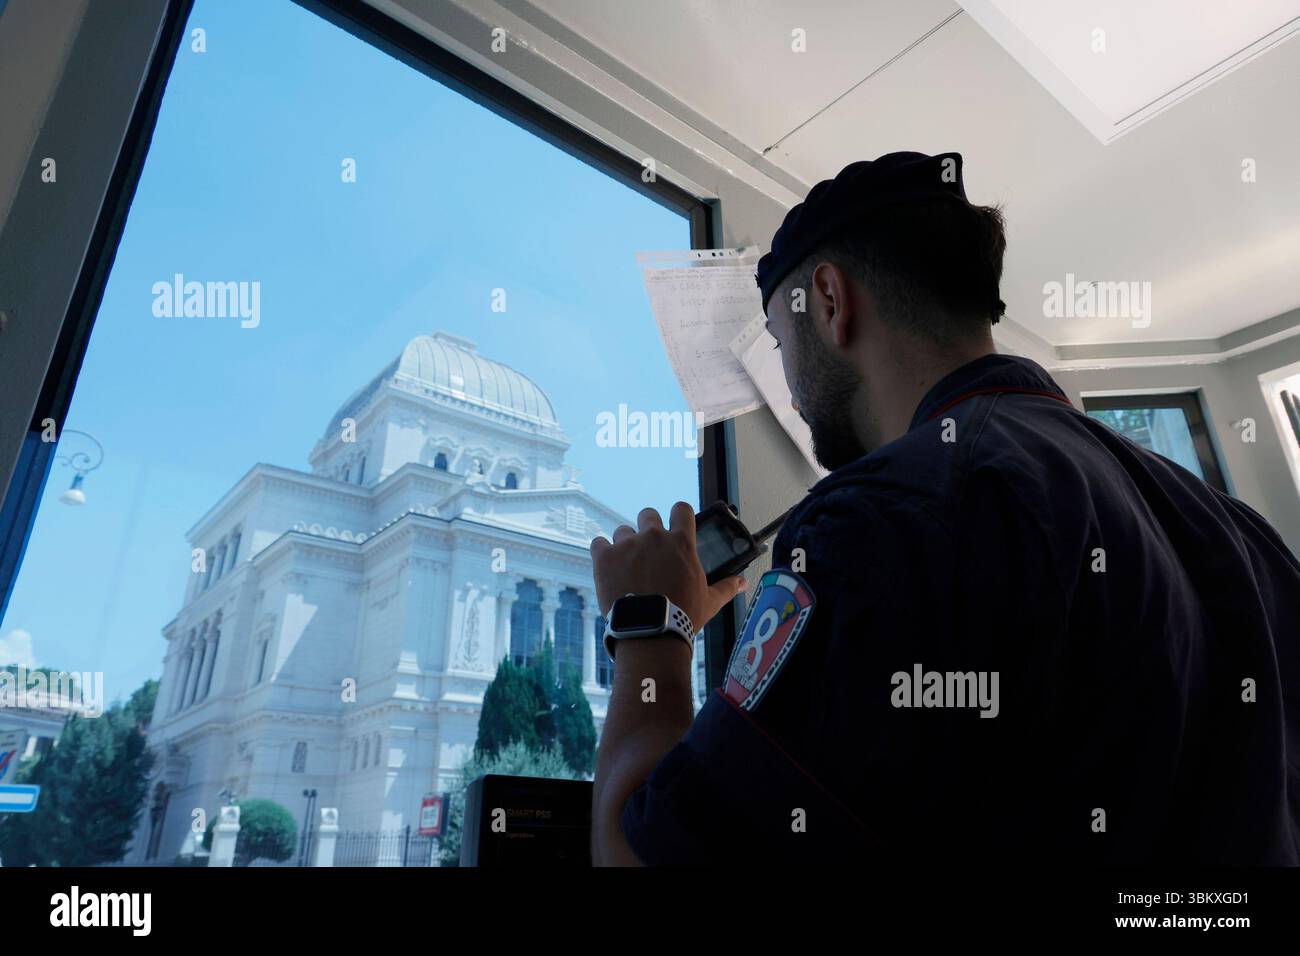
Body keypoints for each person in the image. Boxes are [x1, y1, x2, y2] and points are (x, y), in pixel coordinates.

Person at [589, 151, 1300, 866]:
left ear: (830, 302)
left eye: (780, 343)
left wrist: (653, 621)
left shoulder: (885, 514)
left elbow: (636, 854)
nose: (795, 394)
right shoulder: (1241, 532)